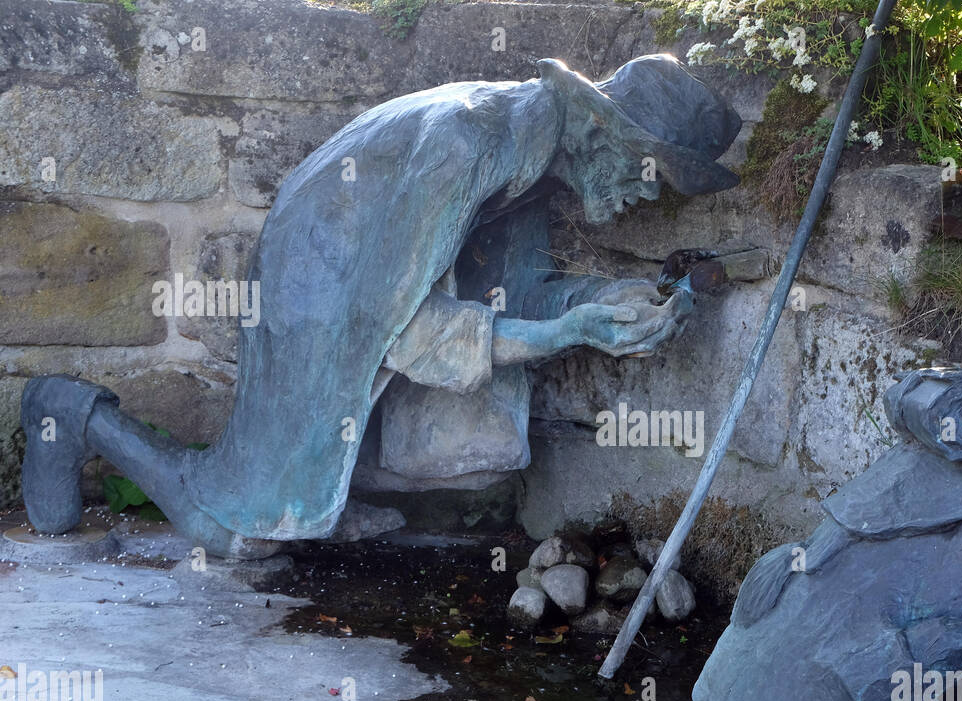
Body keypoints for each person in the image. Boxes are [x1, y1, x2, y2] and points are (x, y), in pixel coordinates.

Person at [20, 55, 741, 558]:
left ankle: (320, 503)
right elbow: (408, 331)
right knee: (230, 531)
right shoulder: (470, 140)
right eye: (653, 174)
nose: (649, 195)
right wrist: (568, 331)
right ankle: (67, 409)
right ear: (597, 128)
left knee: (462, 456)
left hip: (368, 272)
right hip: (321, 272)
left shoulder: (535, 157)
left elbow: (511, 300)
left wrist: (600, 304)